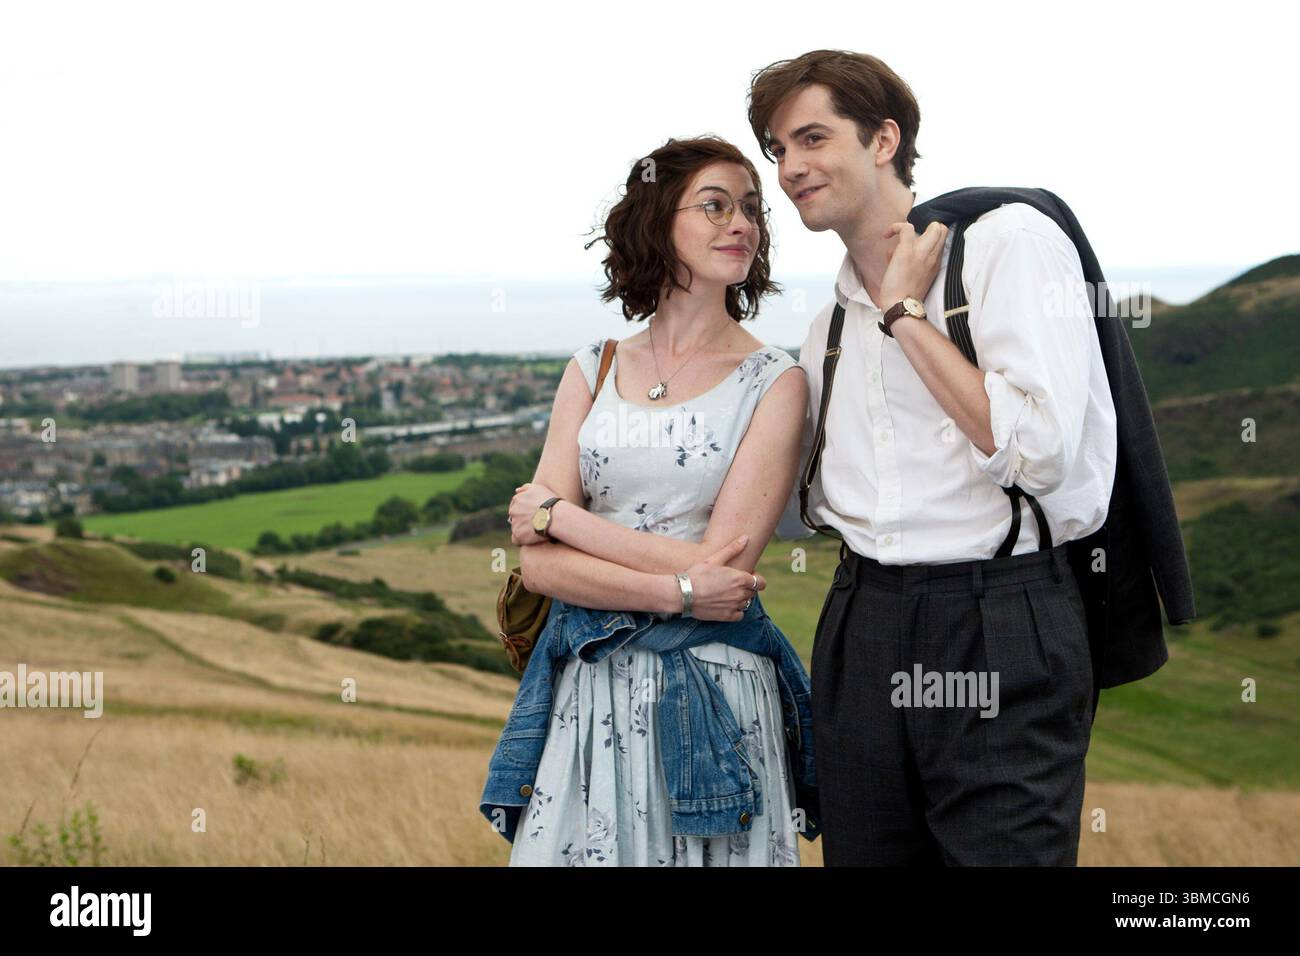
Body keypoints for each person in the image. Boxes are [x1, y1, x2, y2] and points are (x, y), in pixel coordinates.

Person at [750, 50, 1118, 865]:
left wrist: (906, 316)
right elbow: (788, 508)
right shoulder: (825, 331)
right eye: (777, 150)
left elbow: (1041, 452)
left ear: (884, 139)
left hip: (998, 615)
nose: (790, 167)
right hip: (861, 619)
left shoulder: (1008, 243)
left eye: (812, 138)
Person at [496, 135, 812, 866]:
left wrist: (560, 517)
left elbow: (721, 571)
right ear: (656, 222)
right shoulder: (595, 365)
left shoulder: (774, 380)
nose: (742, 224)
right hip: (589, 685)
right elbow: (540, 571)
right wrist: (676, 587)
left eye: (752, 210)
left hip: (714, 692)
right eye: (715, 205)